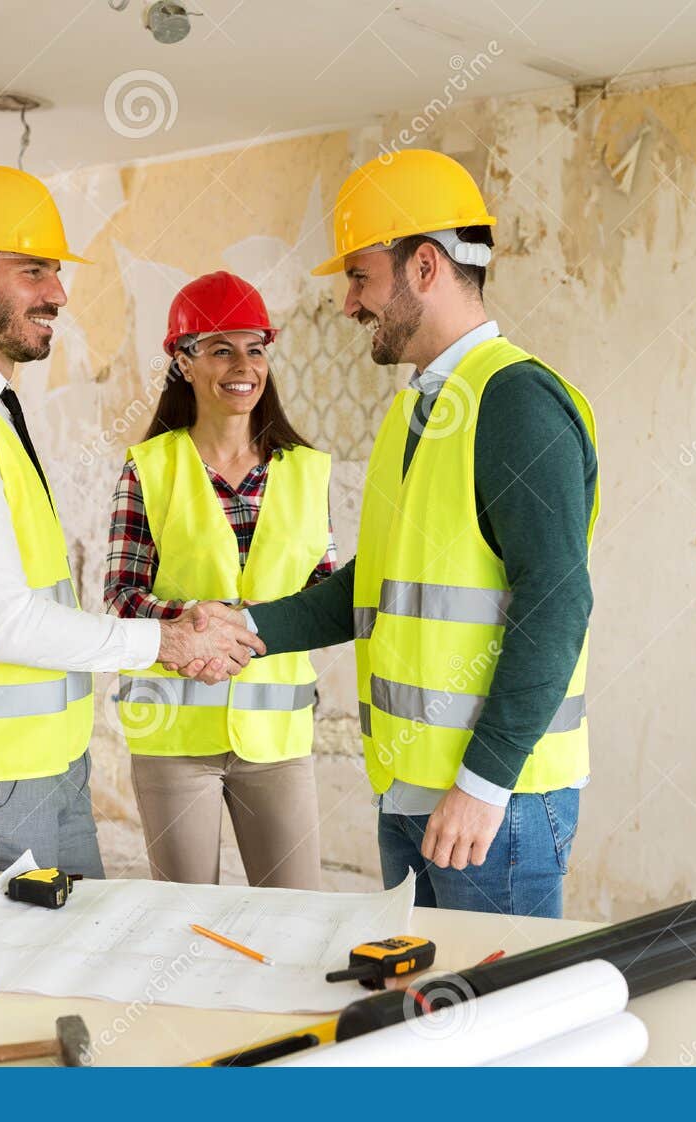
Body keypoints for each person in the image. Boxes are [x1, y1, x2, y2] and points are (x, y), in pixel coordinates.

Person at [195, 150, 599, 918]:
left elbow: (557, 604)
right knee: (427, 1015)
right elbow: (372, 584)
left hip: (494, 808)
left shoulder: (516, 402)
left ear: (422, 266)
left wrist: (482, 785)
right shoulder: (413, 410)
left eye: (359, 276)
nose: (349, 304)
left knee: (492, 1030)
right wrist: (246, 629)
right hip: (411, 791)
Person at [0, 167, 263, 874]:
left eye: (57, 272)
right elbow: (4, 623)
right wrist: (160, 640)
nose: (59, 293)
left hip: (33, 759)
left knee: (76, 952)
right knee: (28, 973)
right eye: (34, 269)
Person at [106, 271, 336, 889]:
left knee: (296, 920)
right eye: (220, 349)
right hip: (173, 738)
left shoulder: (308, 472)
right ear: (183, 363)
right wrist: (192, 622)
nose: (244, 366)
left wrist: (265, 619)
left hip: (278, 738)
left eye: (255, 348)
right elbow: (121, 597)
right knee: (184, 922)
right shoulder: (149, 468)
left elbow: (326, 589)